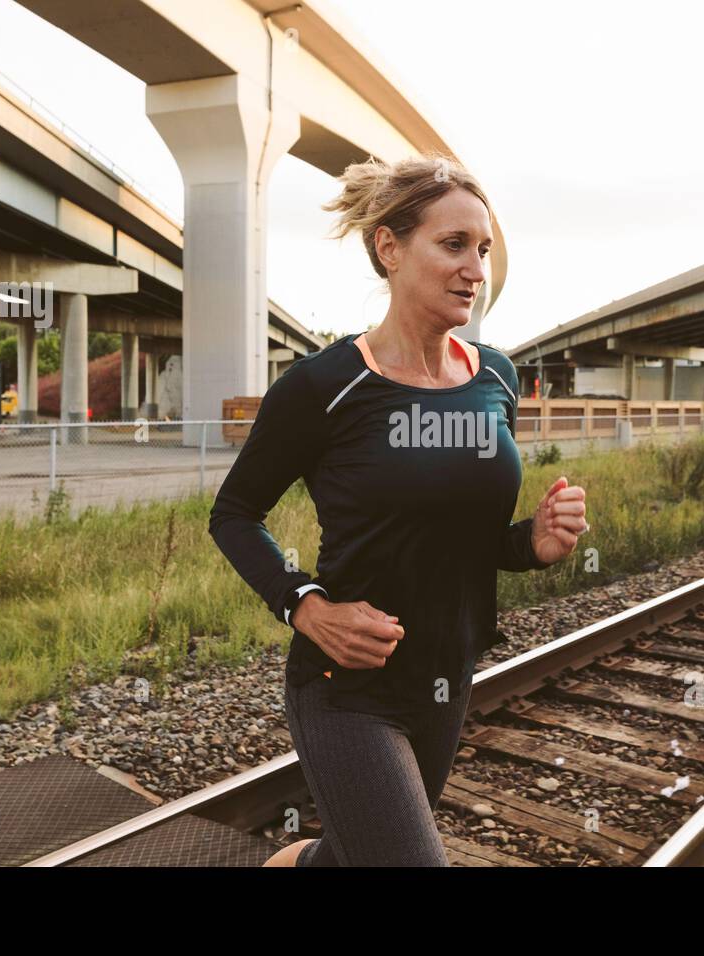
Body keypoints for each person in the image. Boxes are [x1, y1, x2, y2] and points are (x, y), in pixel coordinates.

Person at [208, 152, 588, 866]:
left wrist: (529, 544)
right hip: (344, 686)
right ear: (389, 247)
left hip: (449, 671)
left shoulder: (497, 379)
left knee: (359, 855)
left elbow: (463, 538)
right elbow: (233, 513)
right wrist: (308, 607)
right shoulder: (324, 386)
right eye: (453, 246)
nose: (475, 268)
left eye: (483, 250)